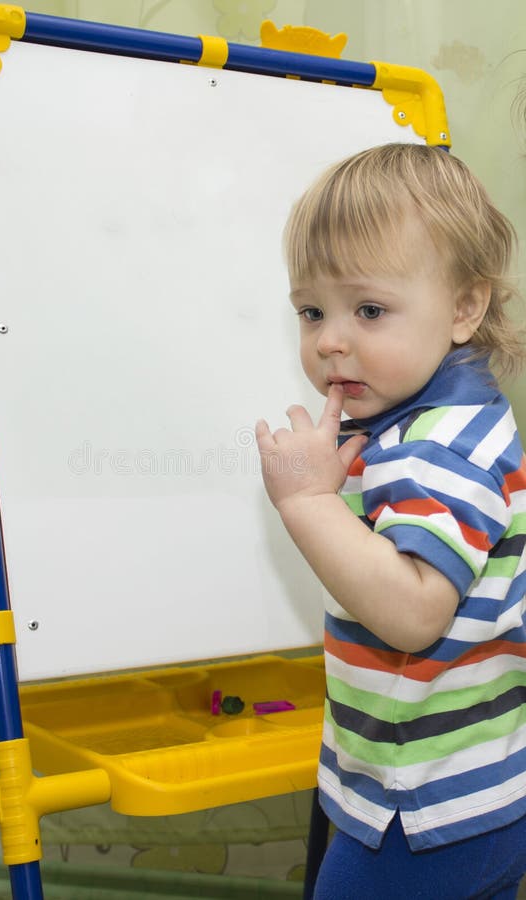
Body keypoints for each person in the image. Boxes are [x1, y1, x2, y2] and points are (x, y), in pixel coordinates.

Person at [255, 143, 526, 899]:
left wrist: (309, 504)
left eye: (368, 310)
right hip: (459, 786)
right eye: (312, 312)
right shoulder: (432, 426)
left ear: (465, 308)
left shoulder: (442, 447)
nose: (330, 339)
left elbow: (412, 613)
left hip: (431, 804)